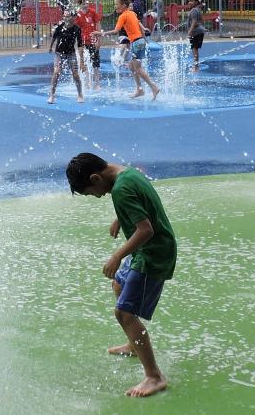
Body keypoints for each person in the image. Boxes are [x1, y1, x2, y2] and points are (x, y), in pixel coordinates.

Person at [65, 151, 177, 399]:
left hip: (153, 254)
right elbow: (139, 198)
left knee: (124, 313)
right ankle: (135, 345)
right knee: (118, 284)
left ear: (95, 178)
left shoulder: (120, 190)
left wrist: (116, 256)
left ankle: (154, 377)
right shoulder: (128, 173)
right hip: (145, 251)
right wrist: (120, 217)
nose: (97, 196)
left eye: (92, 193)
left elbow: (145, 230)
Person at [114, 0, 160, 99]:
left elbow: (115, 31)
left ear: (123, 5)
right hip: (139, 42)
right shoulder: (132, 14)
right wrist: (144, 39)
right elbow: (139, 26)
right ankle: (140, 89)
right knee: (131, 66)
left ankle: (153, 87)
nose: (115, 6)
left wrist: (101, 33)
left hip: (136, 43)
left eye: (117, 4)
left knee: (138, 68)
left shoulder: (124, 16)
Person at [47, 5, 84, 104]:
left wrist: (82, 60)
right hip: (59, 53)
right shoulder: (60, 27)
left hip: (71, 53)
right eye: (64, 16)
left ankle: (80, 94)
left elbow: (80, 45)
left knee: (75, 74)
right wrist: (50, 47)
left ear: (73, 17)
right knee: (56, 72)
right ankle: (52, 95)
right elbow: (54, 37)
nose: (65, 18)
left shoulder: (77, 29)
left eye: (68, 16)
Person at [75, 0, 101, 82]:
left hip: (93, 40)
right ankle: (86, 82)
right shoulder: (77, 15)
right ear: (80, 5)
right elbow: (77, 30)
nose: (86, 5)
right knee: (85, 61)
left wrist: (98, 39)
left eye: (87, 3)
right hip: (83, 41)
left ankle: (97, 83)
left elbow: (98, 24)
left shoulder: (92, 12)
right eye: (84, 4)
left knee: (96, 62)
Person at [186, 1, 207, 71]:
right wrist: (201, 26)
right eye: (189, 1)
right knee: (195, 49)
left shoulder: (193, 11)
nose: (189, 3)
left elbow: (194, 22)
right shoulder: (198, 10)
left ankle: (196, 67)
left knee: (194, 49)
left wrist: (190, 31)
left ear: (195, 2)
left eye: (191, 1)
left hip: (195, 32)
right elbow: (201, 21)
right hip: (199, 31)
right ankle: (196, 65)